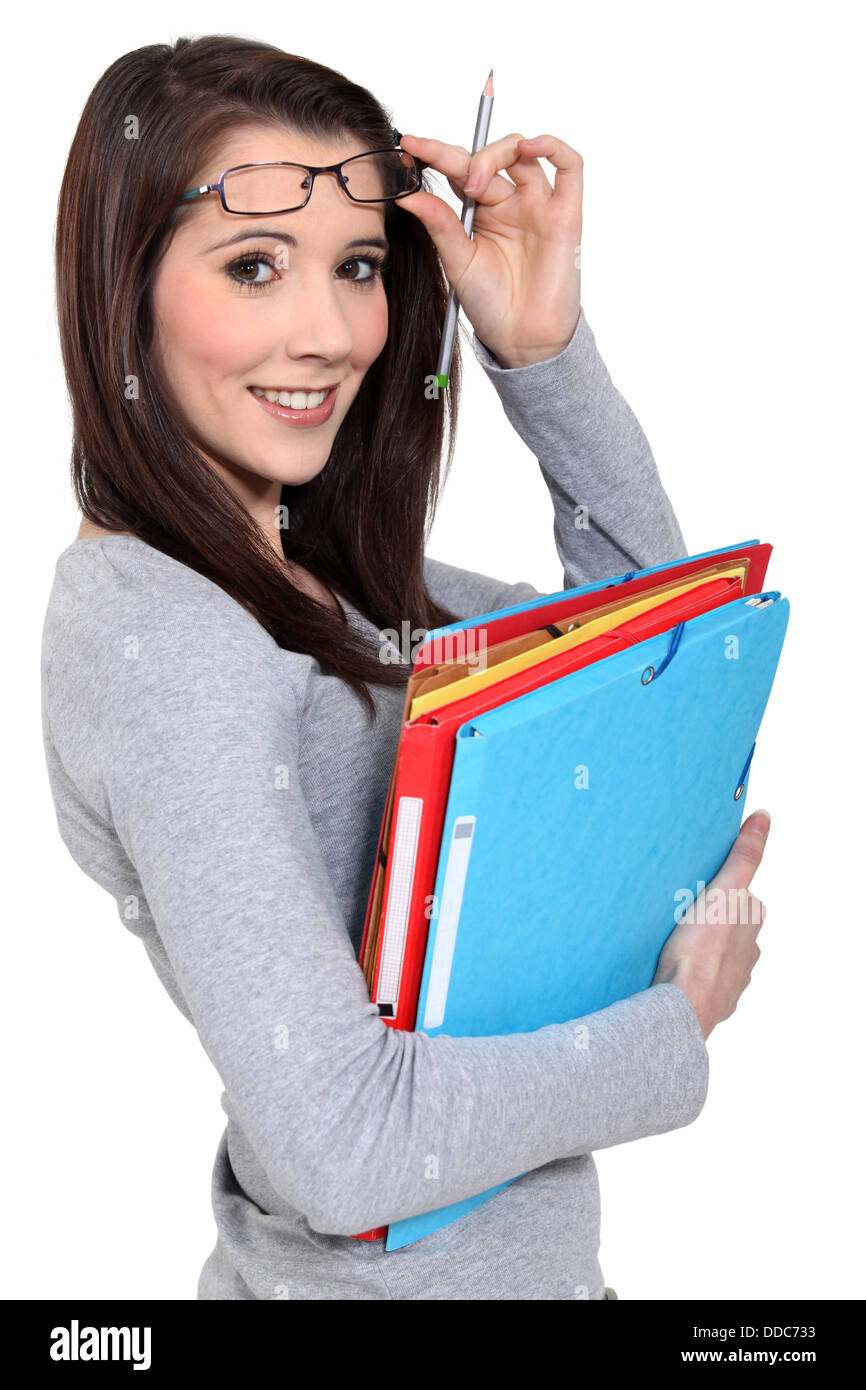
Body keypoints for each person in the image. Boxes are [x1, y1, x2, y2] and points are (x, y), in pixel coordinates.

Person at [41, 34, 769, 1301]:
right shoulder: (161, 639)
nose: (328, 333)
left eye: (359, 265)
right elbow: (344, 1146)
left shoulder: (342, 593)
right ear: (126, 288)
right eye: (254, 265)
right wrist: (674, 1024)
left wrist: (539, 350)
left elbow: (656, 661)